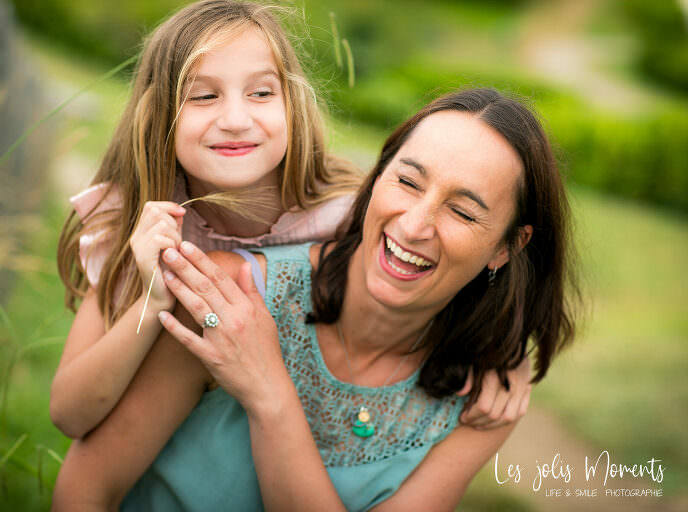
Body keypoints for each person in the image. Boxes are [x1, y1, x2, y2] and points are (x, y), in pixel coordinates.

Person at [51, 88, 579, 511]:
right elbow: (85, 492)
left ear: (507, 247)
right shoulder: (228, 298)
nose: (415, 225)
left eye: (462, 213)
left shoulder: (482, 405)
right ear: (376, 179)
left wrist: (269, 395)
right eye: (407, 181)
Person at [50, 0, 529, 440]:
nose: (236, 118)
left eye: (261, 92)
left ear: (291, 103)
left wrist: (504, 359)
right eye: (203, 97)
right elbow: (70, 415)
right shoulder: (136, 223)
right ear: (158, 114)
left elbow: (438, 283)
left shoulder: (345, 215)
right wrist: (152, 302)